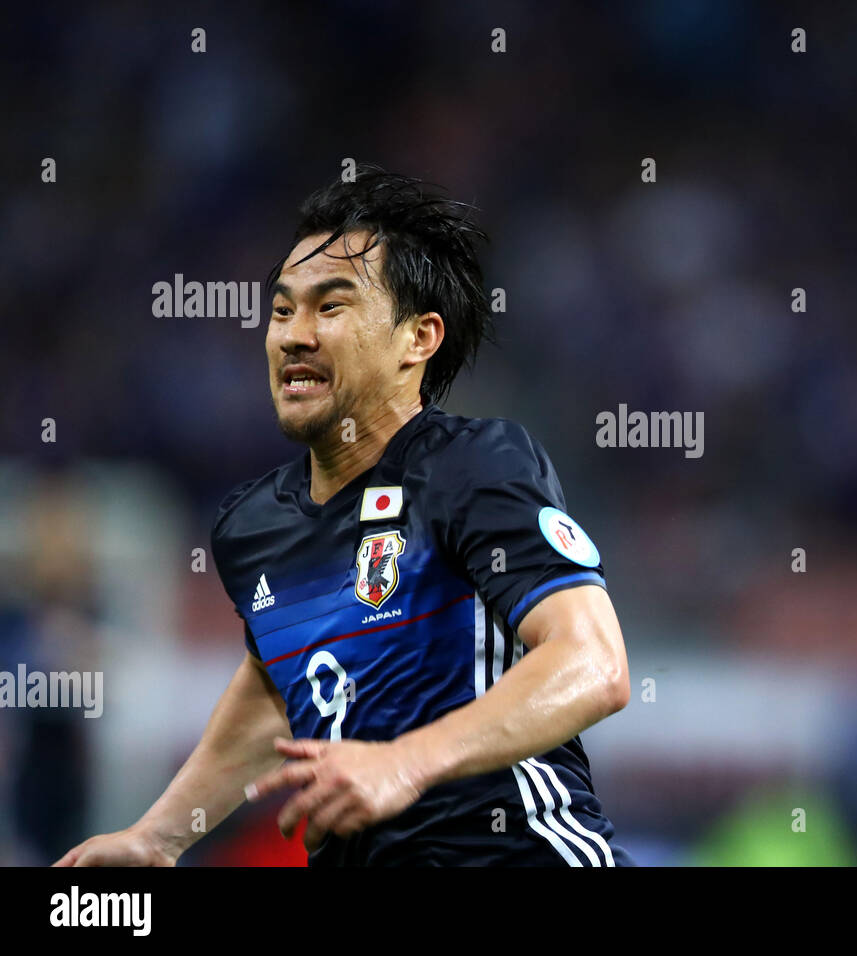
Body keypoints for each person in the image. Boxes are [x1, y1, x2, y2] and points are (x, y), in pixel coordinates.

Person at [55, 167, 634, 867]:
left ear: (418, 338)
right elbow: (275, 679)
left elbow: (593, 662)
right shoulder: (252, 525)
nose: (295, 335)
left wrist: (406, 761)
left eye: (331, 307)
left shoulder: (474, 467)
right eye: (281, 310)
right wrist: (156, 838)